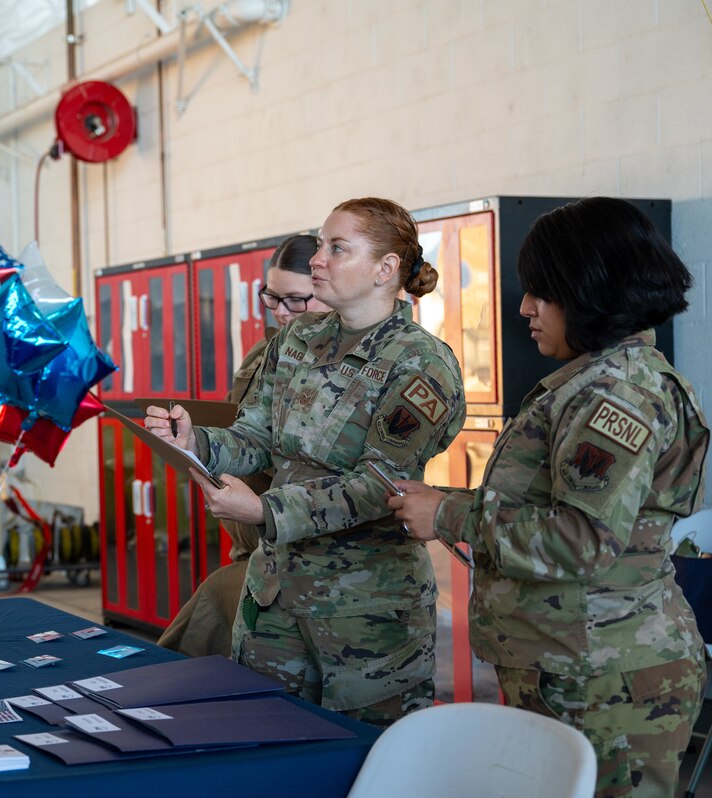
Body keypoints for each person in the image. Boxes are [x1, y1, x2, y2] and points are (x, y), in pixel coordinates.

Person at [389, 196, 708, 796]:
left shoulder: (616, 395)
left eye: (543, 290)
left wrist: (448, 513)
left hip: (607, 677)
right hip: (567, 663)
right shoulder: (588, 382)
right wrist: (441, 500)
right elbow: (551, 507)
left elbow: (580, 540)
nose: (525, 308)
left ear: (593, 289)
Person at [146, 198, 466, 725]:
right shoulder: (298, 339)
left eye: (337, 248)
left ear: (386, 269)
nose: (318, 259)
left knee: (363, 761)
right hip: (274, 596)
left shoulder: (421, 364)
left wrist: (265, 511)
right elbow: (256, 435)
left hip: (365, 615)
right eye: (320, 245)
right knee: (265, 741)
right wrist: (196, 441)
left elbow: (377, 486)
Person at [157, 234, 326, 656]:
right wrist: (196, 440)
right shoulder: (263, 356)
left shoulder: (342, 369)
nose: (281, 313)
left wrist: (260, 510)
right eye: (271, 298)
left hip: (296, 547)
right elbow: (247, 434)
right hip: (248, 541)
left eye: (295, 300)